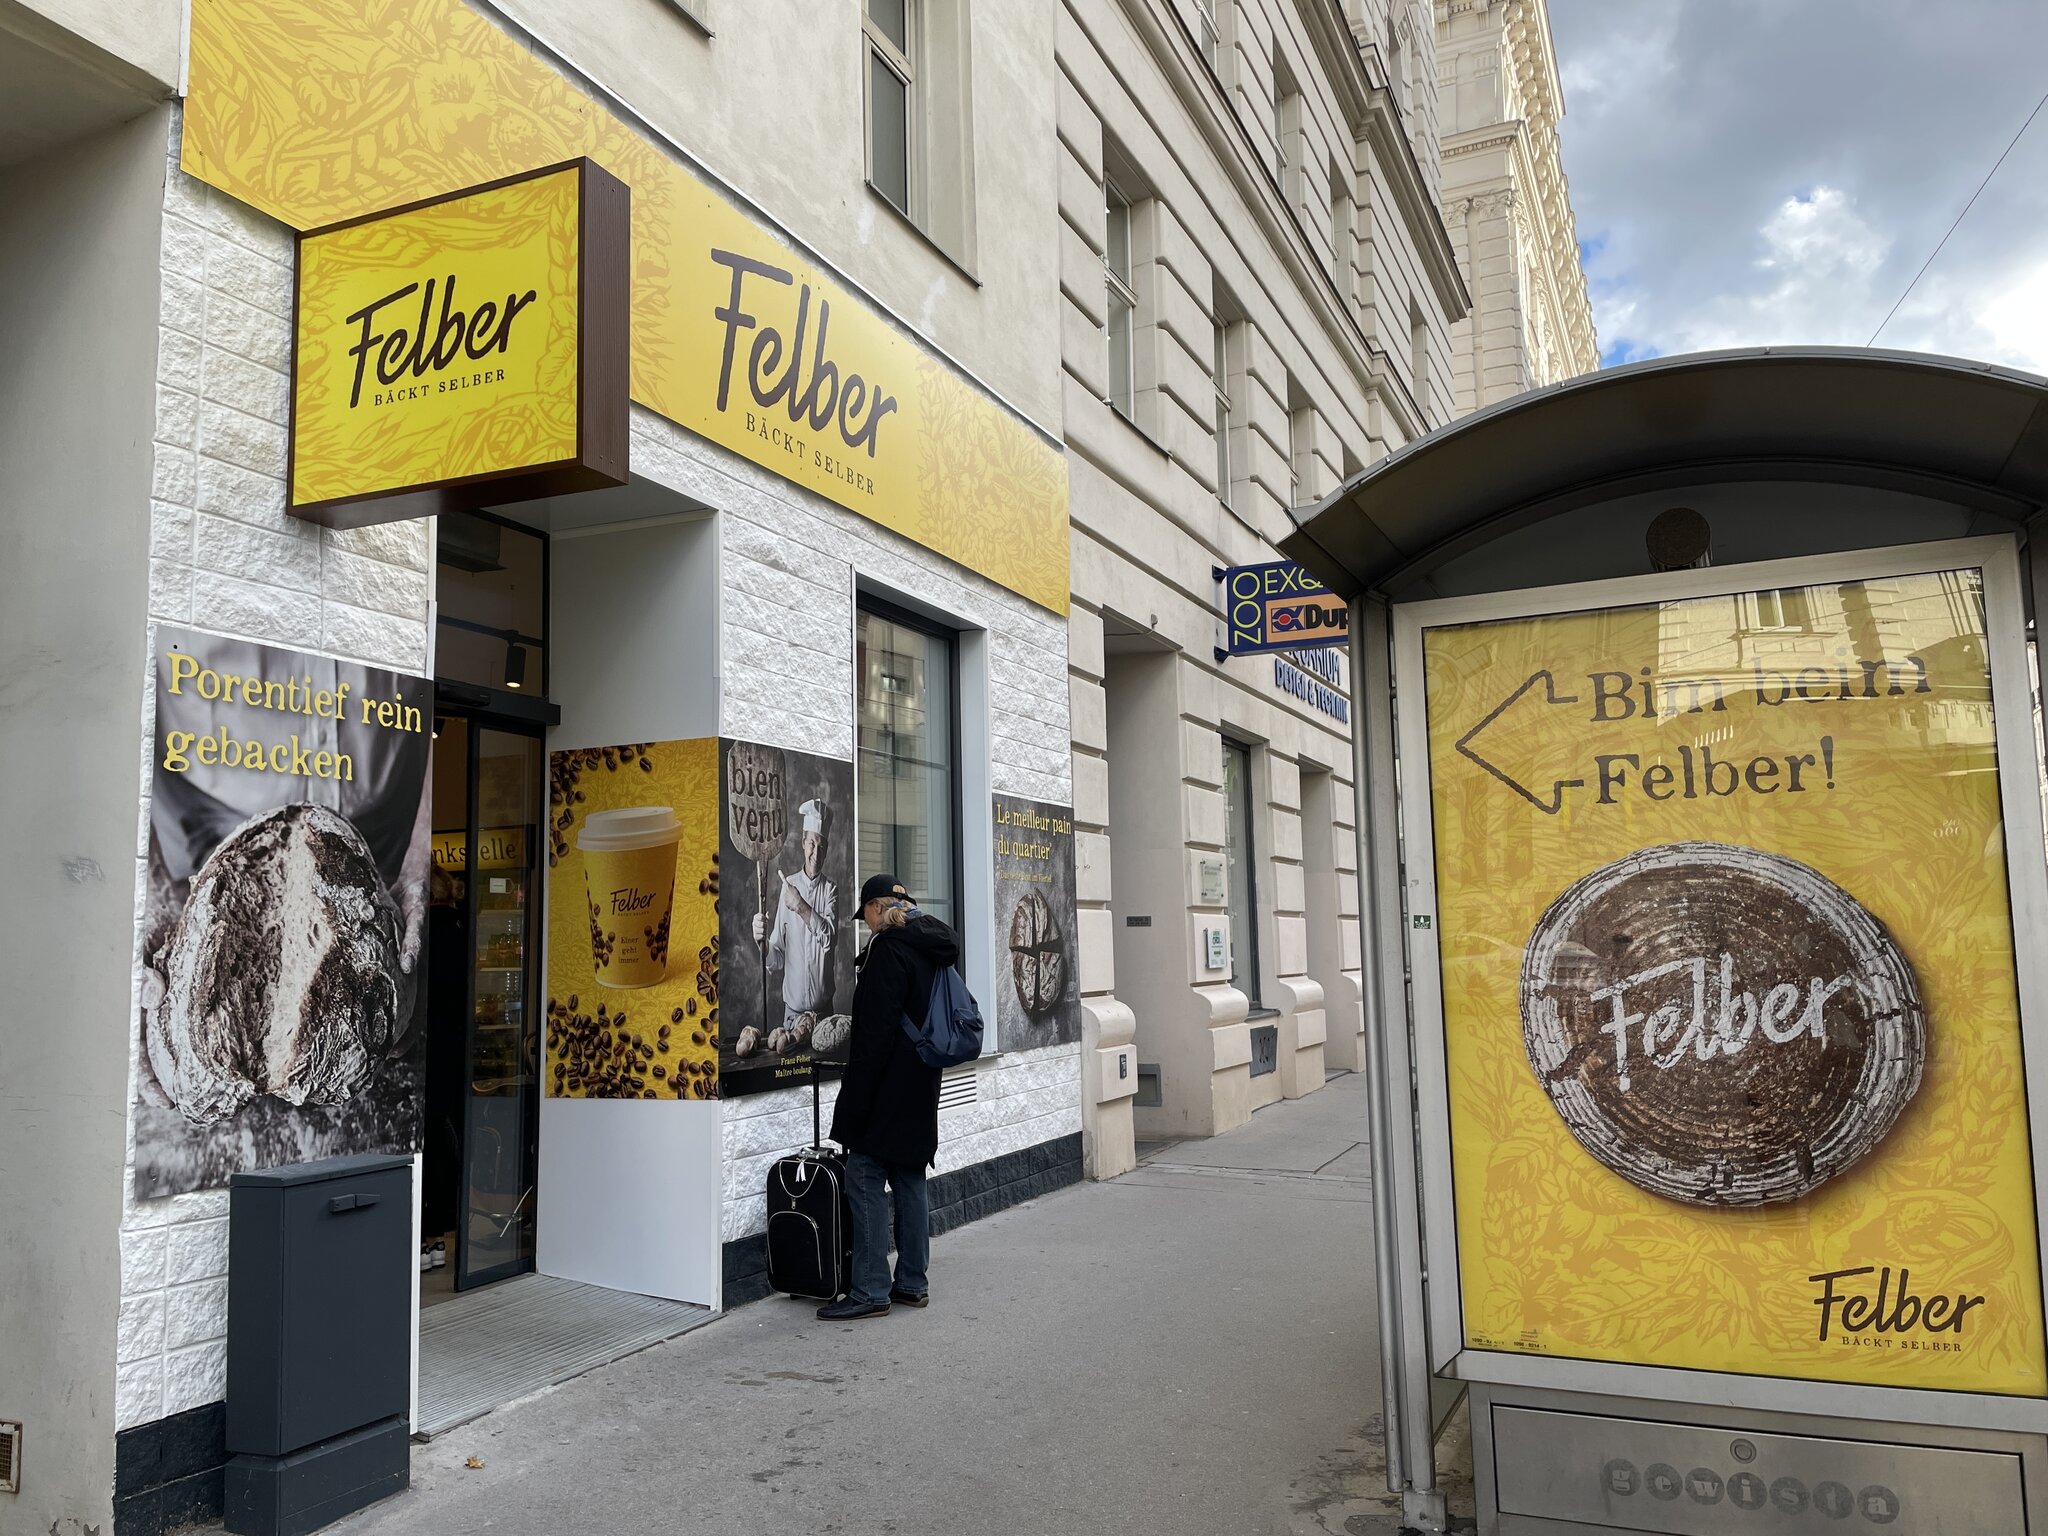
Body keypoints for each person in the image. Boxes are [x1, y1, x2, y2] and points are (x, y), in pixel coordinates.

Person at [817, 873, 955, 1321]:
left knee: (863, 1176)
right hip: (921, 1081)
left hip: (886, 1088)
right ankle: (912, 1284)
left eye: (867, 915)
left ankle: (871, 1290)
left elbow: (874, 1037)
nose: (866, 925)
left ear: (877, 908)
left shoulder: (887, 953)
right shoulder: (930, 948)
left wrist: (854, 1101)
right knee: (911, 1177)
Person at [744, 798, 837, 1058]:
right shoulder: (788, 888)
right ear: (802, 844)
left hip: (824, 1017)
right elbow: (776, 959)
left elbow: (828, 938)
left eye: (821, 846)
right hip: (791, 1019)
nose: (815, 853)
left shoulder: (831, 891)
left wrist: (801, 906)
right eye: (811, 843)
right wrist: (760, 941)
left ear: (826, 849)